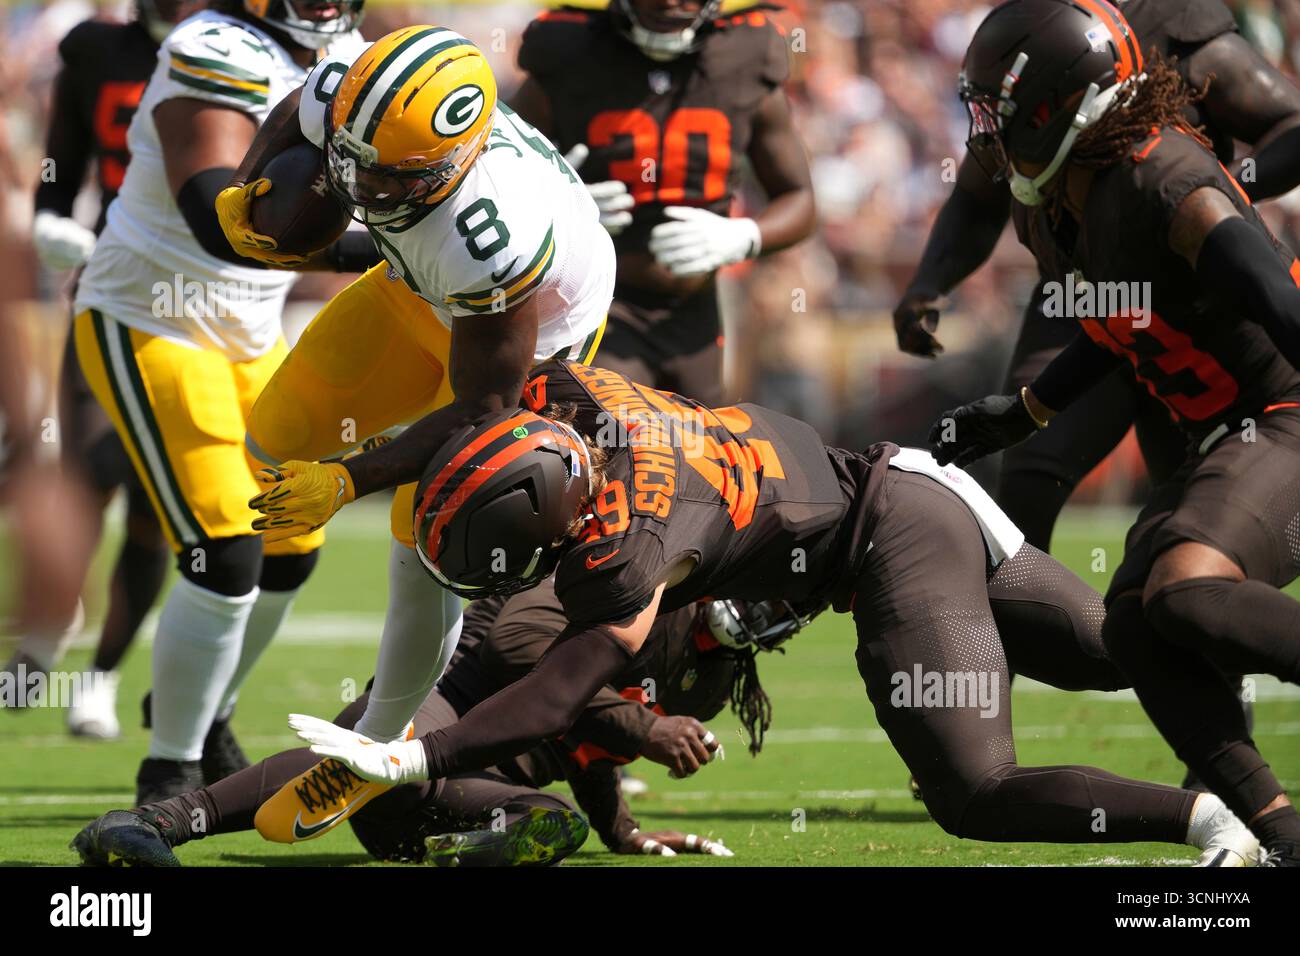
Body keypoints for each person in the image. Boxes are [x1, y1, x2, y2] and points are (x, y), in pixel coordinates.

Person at [264, 359, 1257, 865]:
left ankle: (1211, 815)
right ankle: (1215, 618)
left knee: (972, 789)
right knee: (1115, 646)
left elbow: (566, 685)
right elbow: (479, 413)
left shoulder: (624, 544)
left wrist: (417, 755)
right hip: (902, 479)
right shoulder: (566, 395)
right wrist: (354, 476)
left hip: (887, 533)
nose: (509, 581)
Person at [927, 0, 1300, 866]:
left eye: (999, 113)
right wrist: (1020, 413)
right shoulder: (1070, 198)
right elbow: (1116, 324)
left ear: (1062, 107)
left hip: (1283, 414)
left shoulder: (1165, 182)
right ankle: (1278, 831)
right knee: (1133, 628)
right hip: (1229, 433)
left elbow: (1278, 301)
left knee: (1184, 589)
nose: (985, 135)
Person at [214, 24, 616, 773]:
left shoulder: (488, 234)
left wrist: (349, 478)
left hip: (526, 331)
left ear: (450, 163)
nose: (361, 190)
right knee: (277, 433)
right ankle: (228, 685)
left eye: (388, 177)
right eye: (353, 166)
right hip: (416, 287)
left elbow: (484, 407)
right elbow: (302, 102)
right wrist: (249, 181)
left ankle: (381, 745)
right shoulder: (363, 106)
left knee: (427, 534)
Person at [70, 0, 374, 803]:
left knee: (292, 537)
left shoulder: (360, 54)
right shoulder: (213, 45)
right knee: (223, 550)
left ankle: (206, 714)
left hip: (249, 331)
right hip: (150, 321)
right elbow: (217, 217)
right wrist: (380, 247)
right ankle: (166, 769)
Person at [895, 0, 1300, 553]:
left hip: (1182, 300)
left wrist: (1210, 196)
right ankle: (1047, 632)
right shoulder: (1036, 40)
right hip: (1081, 299)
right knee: (1029, 483)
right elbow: (978, 191)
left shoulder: (1169, 27)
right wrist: (929, 283)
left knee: (1188, 523)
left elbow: (1292, 124)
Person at [71, 587, 796, 865]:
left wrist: (622, 830)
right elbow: (520, 648)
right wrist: (641, 729)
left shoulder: (709, 674)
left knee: (549, 824)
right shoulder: (628, 574)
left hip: (457, 789)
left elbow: (582, 742)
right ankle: (155, 823)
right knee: (387, 752)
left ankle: (446, 849)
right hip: (431, 713)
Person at [2, 0, 196, 740]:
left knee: (157, 503)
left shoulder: (242, 52)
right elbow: (61, 163)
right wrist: (54, 218)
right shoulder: (95, 49)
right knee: (88, 468)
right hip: (114, 285)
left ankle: (100, 678)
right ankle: (43, 642)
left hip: (205, 307)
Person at [509, 0, 815, 404]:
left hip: (695, 311)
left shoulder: (745, 53)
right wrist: (561, 206)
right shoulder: (571, 50)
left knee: (703, 449)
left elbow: (799, 198)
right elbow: (500, 185)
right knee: (619, 439)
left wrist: (743, 236)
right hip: (596, 302)